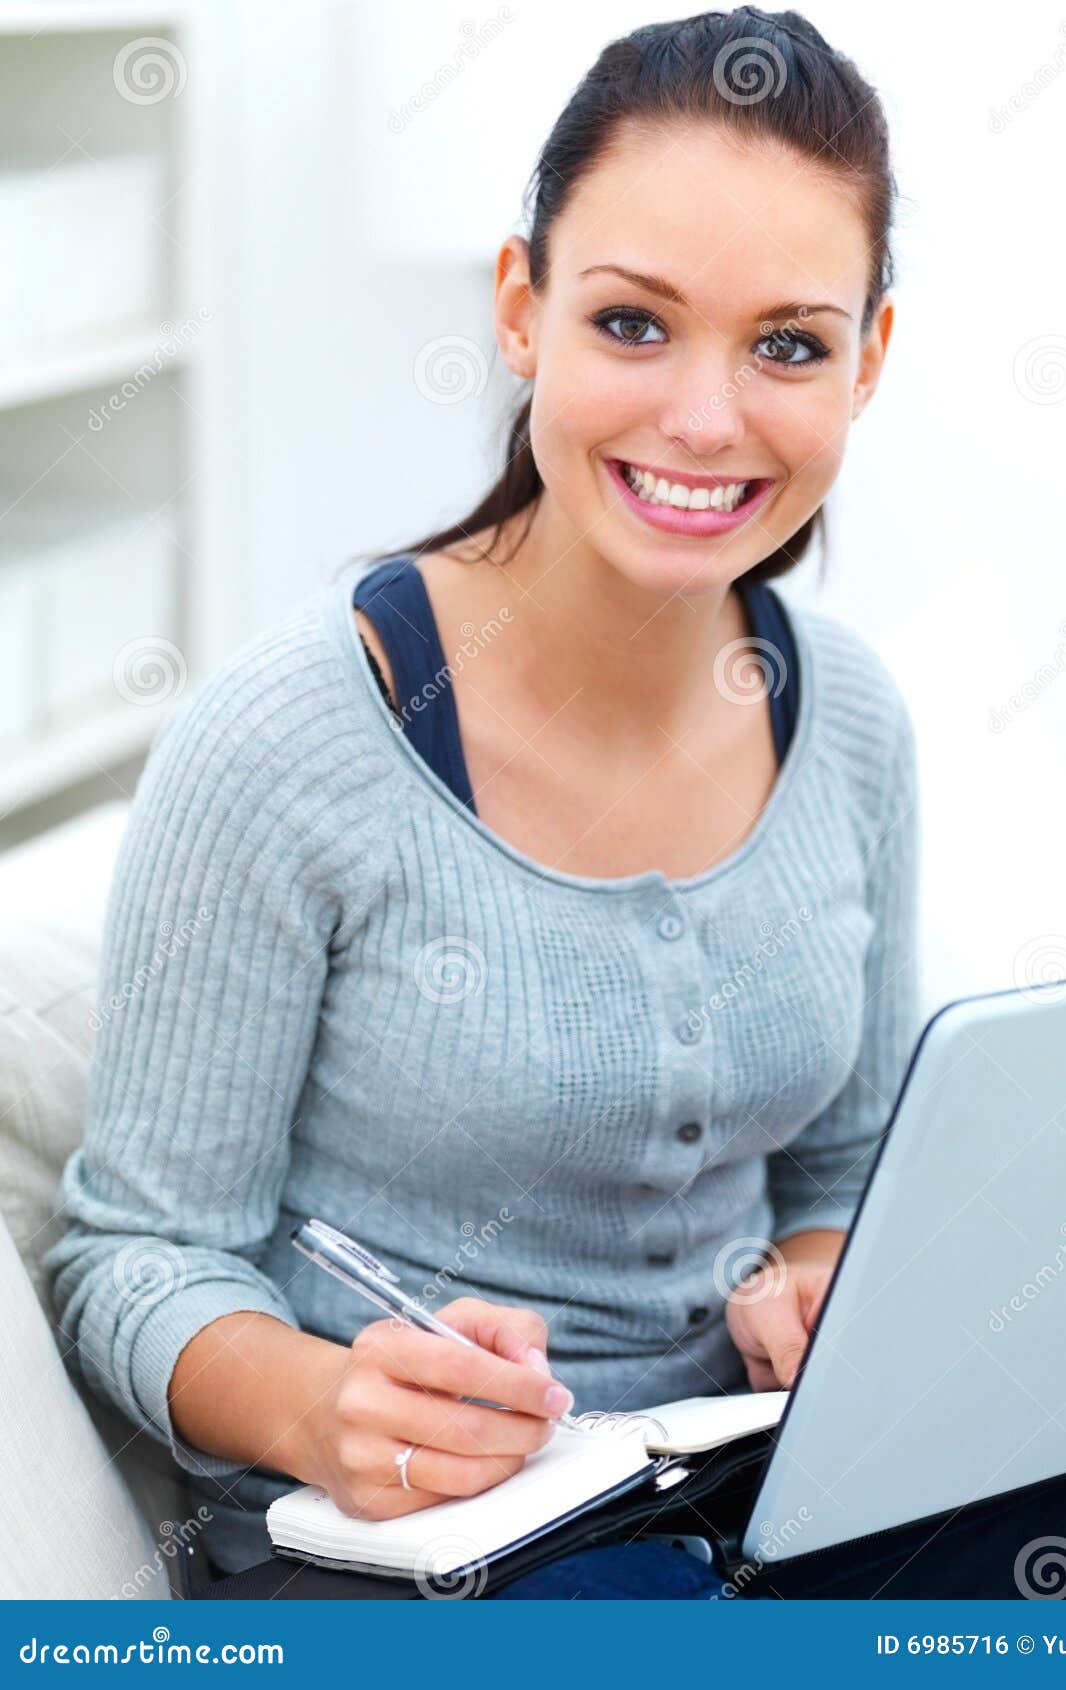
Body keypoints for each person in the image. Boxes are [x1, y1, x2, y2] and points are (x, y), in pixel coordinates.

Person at [47, 6, 920, 1590]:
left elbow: (845, 1171)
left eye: (787, 343)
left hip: (755, 1502)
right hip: (424, 1564)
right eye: (633, 324)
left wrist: (814, 1273)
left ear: (865, 360)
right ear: (520, 312)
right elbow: (129, 1258)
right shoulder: (284, 741)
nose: (706, 419)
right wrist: (323, 1403)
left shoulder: (848, 716)